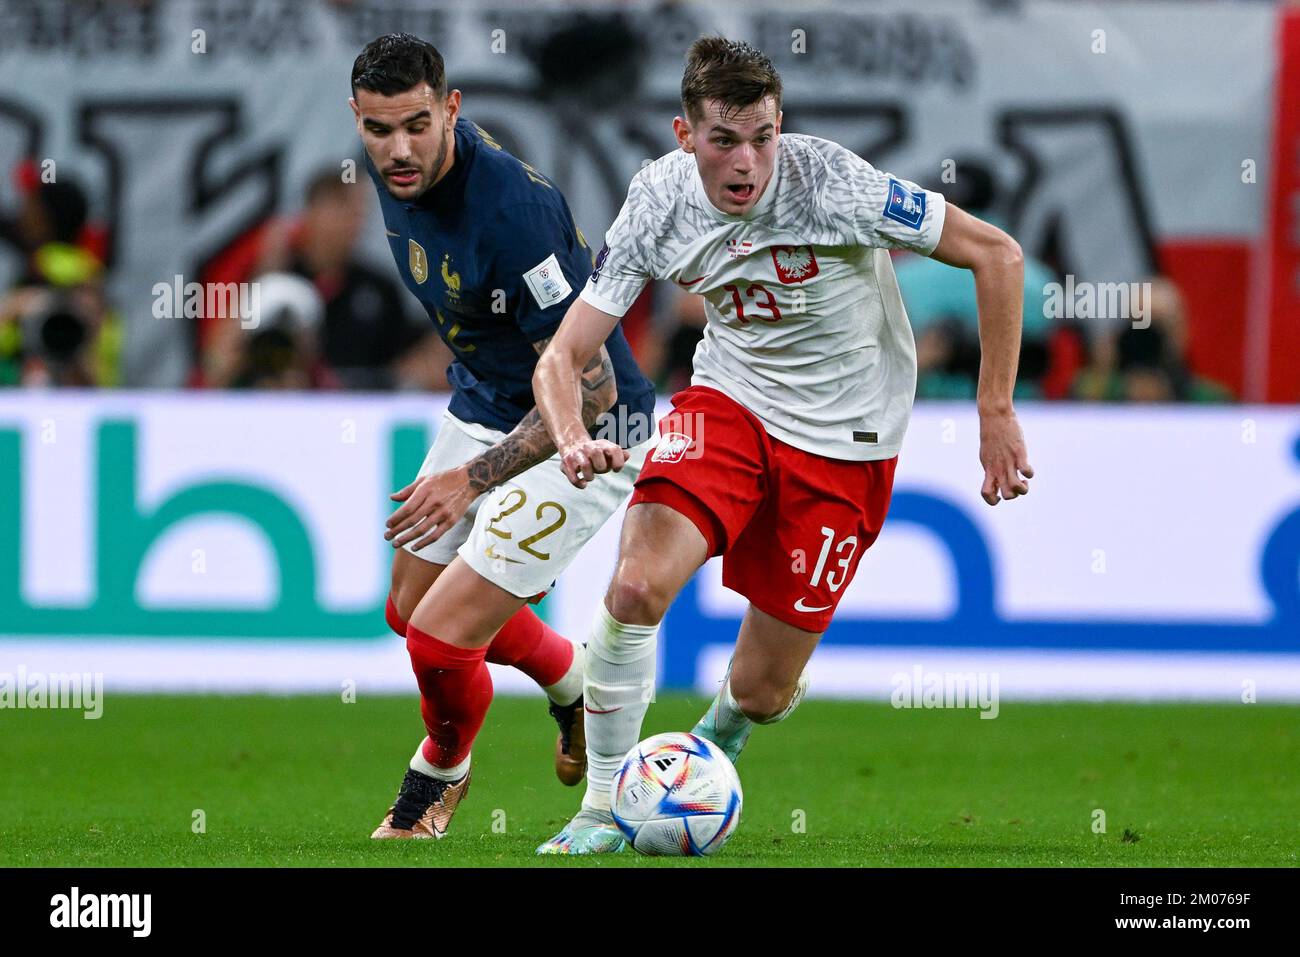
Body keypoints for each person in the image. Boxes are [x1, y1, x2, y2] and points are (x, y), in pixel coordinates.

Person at [532, 37, 1034, 854]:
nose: (747, 161)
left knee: (764, 689)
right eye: (723, 140)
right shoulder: (658, 200)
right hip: (729, 401)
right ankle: (600, 810)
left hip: (848, 435)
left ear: (781, 127)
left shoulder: (831, 182)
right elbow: (564, 353)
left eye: (762, 135)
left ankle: (723, 733)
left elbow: (997, 253)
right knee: (632, 588)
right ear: (683, 134)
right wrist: (569, 435)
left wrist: (995, 407)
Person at [349, 33, 657, 839]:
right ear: (358, 120)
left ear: (452, 108)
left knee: (440, 640)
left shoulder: (513, 213)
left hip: (589, 432)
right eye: (379, 130)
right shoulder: (397, 172)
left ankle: (439, 777)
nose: (399, 149)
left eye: (418, 123)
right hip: (486, 400)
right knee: (407, 607)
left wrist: (473, 479)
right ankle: (572, 679)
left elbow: (592, 389)